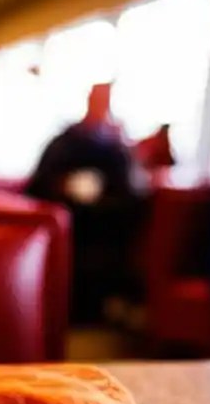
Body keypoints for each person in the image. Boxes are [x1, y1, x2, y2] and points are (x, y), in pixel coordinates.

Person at [26, 83, 145, 323]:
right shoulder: (62, 144)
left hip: (107, 229)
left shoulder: (118, 148)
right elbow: (36, 188)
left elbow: (133, 193)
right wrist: (64, 187)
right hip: (66, 224)